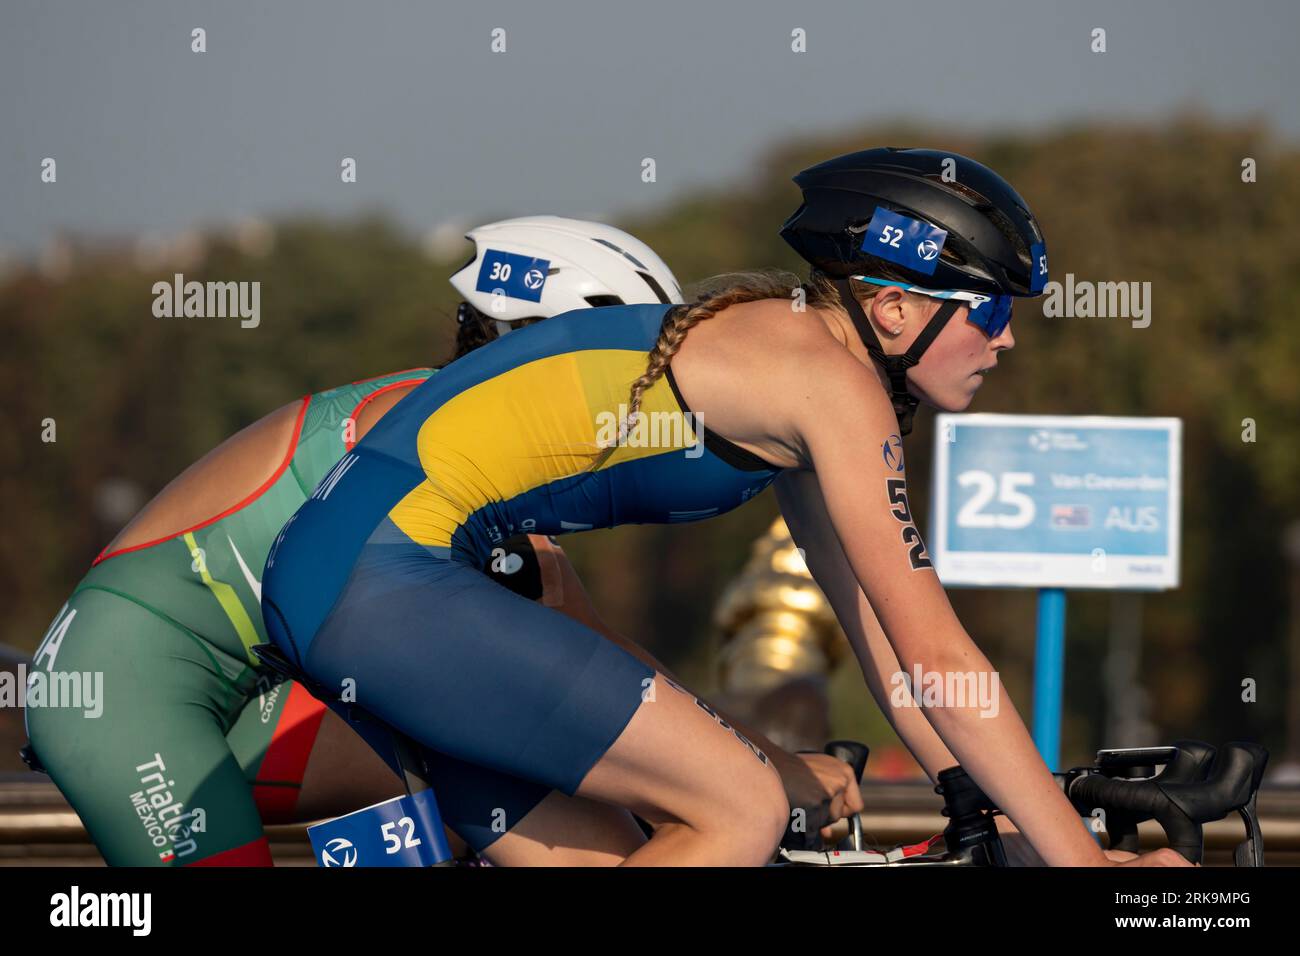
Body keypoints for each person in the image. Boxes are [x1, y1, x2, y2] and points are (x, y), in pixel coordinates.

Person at [261, 147, 1190, 866]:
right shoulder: (831, 385)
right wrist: (1079, 861)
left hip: (360, 579)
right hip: (387, 579)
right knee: (741, 804)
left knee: (639, 850)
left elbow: (886, 642)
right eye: (990, 311)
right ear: (897, 309)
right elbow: (940, 652)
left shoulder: (801, 367)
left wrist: (979, 799)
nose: (1008, 339)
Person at [27, 216, 828, 866]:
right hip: (126, 687)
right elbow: (595, 650)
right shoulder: (420, 435)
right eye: (633, 372)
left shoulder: (474, 450)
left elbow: (602, 679)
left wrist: (753, 768)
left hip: (256, 693)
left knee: (557, 791)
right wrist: (772, 766)